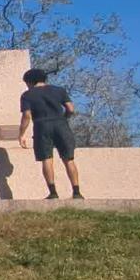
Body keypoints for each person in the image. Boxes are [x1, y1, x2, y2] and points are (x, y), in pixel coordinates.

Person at [16, 68, 84, 200]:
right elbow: (70, 108)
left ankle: (53, 192)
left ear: (30, 82)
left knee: (47, 159)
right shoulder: (59, 90)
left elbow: (27, 115)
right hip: (61, 124)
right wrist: (64, 118)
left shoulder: (27, 95)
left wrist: (21, 133)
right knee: (68, 159)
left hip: (42, 126)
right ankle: (76, 192)